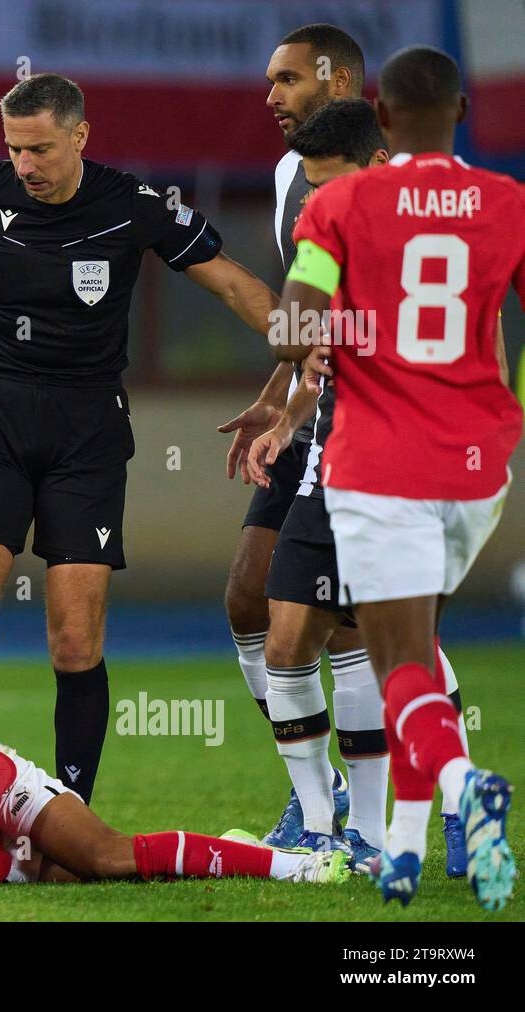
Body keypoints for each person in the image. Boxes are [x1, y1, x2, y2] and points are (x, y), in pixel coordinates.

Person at [0, 72, 281, 805]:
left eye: (41, 150)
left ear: (80, 137)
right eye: (16, 148)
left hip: (86, 430)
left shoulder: (134, 206)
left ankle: (72, 807)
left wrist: (314, 344)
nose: (25, 165)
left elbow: (231, 285)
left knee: (75, 640)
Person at [273, 46, 522, 910]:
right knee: (414, 651)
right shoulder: (509, 204)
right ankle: (405, 851)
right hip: (479, 468)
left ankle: (464, 790)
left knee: (398, 663)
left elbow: (293, 325)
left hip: (379, 462)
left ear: (378, 116)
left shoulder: (338, 204)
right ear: (461, 110)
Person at [247, 98, 476, 873]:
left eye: (329, 184)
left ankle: (449, 809)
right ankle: (325, 827)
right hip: (329, 457)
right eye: (309, 189)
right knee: (286, 638)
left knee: (398, 643)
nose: (317, 203)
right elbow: (315, 351)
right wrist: (287, 414)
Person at [217, 23, 367, 848]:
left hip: (374, 426)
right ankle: (327, 797)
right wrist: (277, 396)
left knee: (337, 622)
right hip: (311, 410)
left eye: (285, 80)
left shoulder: (392, 176)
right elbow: (302, 305)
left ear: (335, 79)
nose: (269, 96)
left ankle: (394, 812)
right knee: (248, 597)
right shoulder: (289, 174)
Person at [0, 716, 351, 887]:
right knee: (89, 879)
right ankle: (229, 853)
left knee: (105, 856)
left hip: (0, 788)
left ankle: (299, 867)